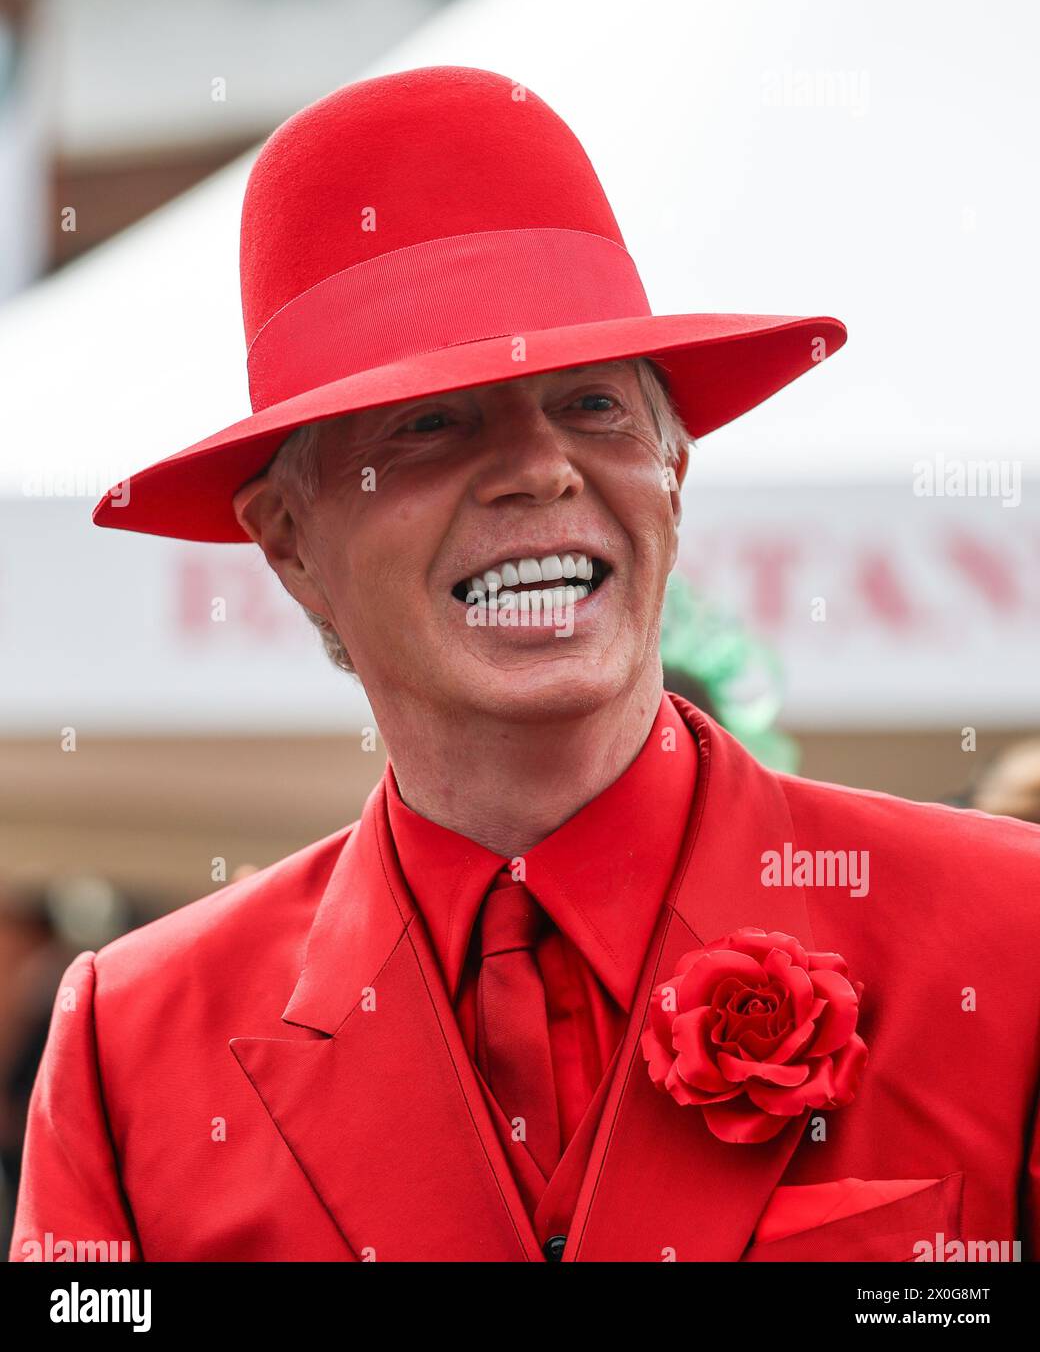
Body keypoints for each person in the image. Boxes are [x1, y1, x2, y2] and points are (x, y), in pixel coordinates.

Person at [12, 67, 1040, 1263]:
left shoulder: (1007, 934)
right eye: (430, 423)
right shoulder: (130, 1047)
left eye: (592, 405)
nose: (539, 468)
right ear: (288, 541)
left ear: (671, 473)